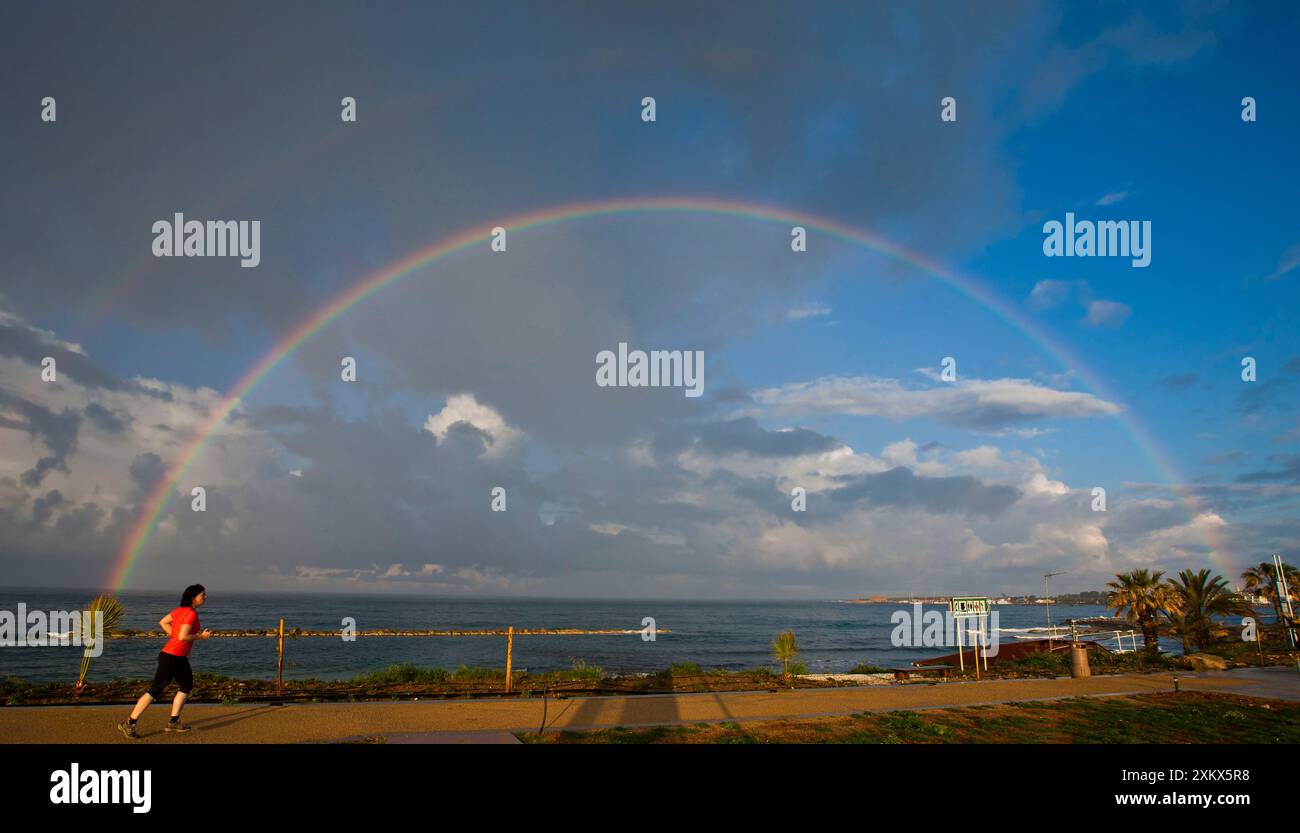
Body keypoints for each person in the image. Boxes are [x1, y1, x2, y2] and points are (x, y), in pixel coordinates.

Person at [118, 584, 211, 739]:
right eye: (203, 595)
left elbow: (163, 622)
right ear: (193, 597)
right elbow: (182, 636)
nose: (205, 597)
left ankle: (174, 721)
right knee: (155, 691)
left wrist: (174, 635)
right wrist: (201, 637)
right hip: (171, 657)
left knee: (187, 685)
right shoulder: (190, 614)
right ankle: (129, 723)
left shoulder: (180, 610)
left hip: (178, 657)